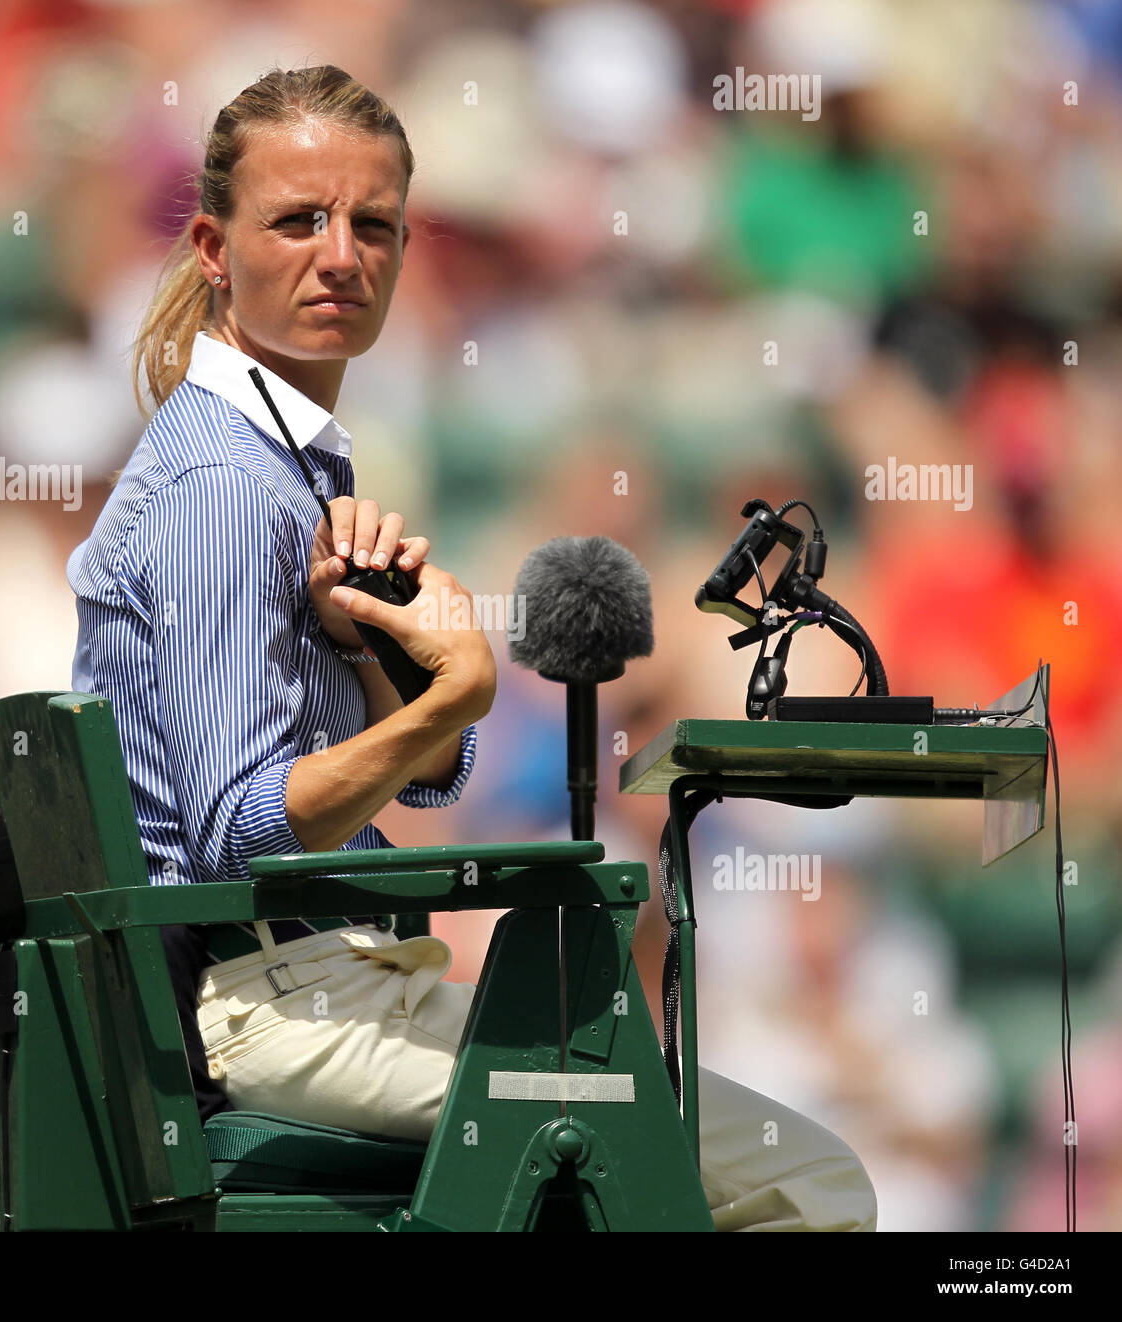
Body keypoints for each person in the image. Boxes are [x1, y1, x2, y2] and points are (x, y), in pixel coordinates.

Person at [67, 65, 876, 1232]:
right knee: (809, 1177)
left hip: (311, 985)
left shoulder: (280, 461)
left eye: (373, 224)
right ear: (211, 244)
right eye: (298, 220)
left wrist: (379, 663)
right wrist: (452, 696)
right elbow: (239, 830)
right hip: (284, 1002)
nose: (341, 255)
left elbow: (418, 778)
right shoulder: (220, 486)